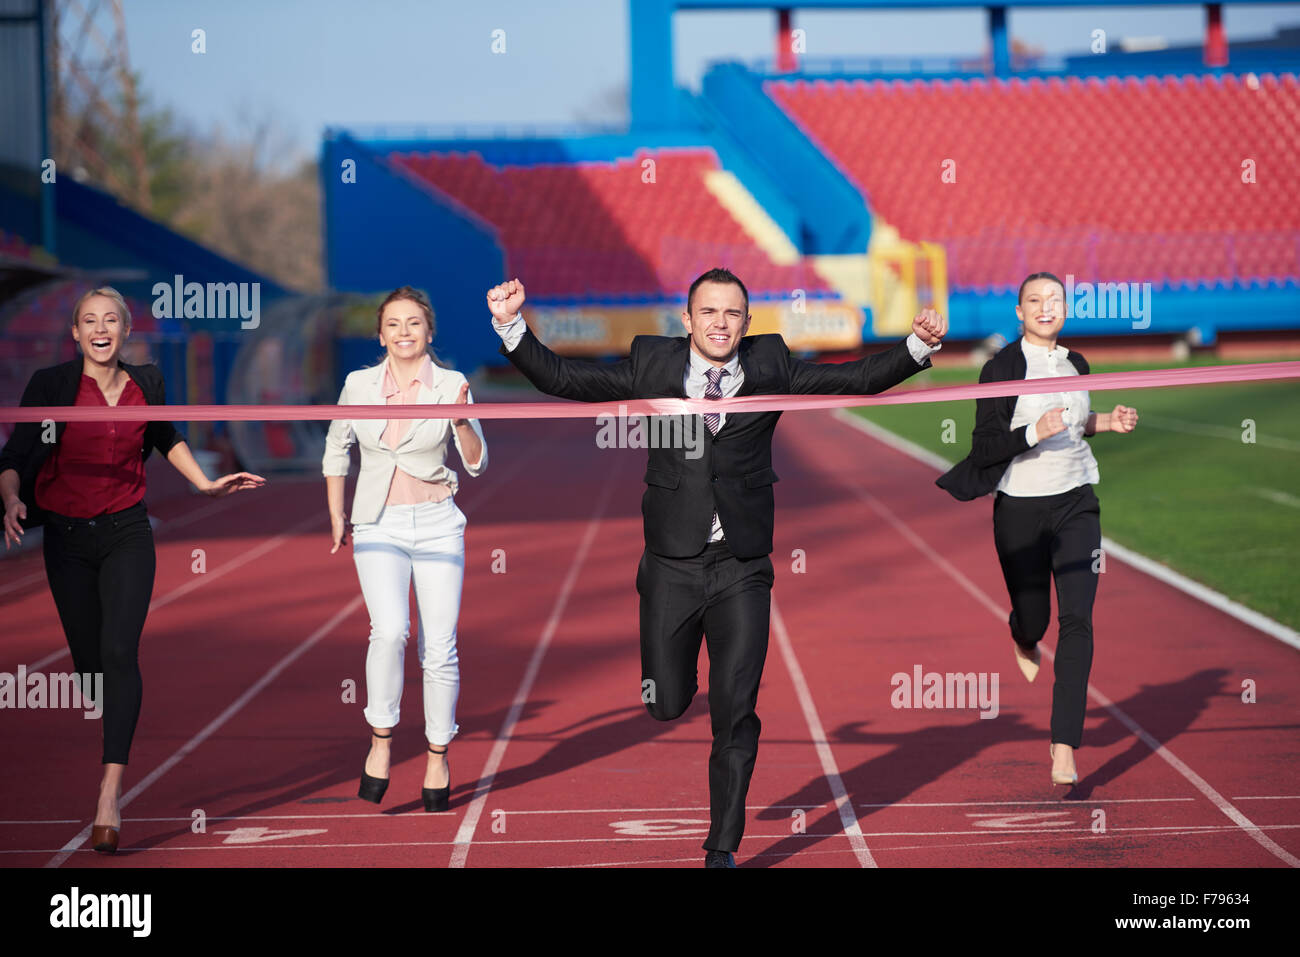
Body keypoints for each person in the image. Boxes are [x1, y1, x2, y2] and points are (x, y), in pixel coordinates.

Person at [487, 268, 946, 866]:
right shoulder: (651, 364)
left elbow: (852, 380)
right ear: (688, 320)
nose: (721, 324)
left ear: (747, 322)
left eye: (733, 314)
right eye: (709, 312)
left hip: (742, 566)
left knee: (737, 709)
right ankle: (677, 680)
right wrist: (510, 325)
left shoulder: (772, 365)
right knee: (665, 702)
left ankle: (722, 846)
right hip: (671, 565)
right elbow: (567, 379)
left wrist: (917, 346)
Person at [0, 286, 265, 855]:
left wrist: (205, 483)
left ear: (125, 331)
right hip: (66, 541)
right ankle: (105, 708)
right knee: (91, 671)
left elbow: (165, 436)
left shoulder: (148, 383)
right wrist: (11, 499)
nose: (101, 328)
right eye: (89, 320)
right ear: (76, 334)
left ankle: (109, 793)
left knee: (121, 654)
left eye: (111, 319)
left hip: (126, 532)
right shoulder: (51, 385)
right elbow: (16, 456)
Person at [936, 272, 1138, 786]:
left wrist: (1106, 422)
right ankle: (1022, 636)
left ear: (1065, 308)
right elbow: (984, 448)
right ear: (1020, 313)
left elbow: (1076, 422)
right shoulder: (1001, 368)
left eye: (1055, 299)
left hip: (1077, 502)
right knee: (1035, 618)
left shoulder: (1077, 363)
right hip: (1020, 508)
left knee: (1078, 620)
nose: (1046, 307)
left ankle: (1064, 743)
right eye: (1035, 300)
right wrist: (1032, 431)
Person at [323, 285, 487, 812]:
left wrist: (462, 421)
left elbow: (478, 461)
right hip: (377, 524)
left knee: (439, 647)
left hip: (438, 523)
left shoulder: (452, 384)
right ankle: (381, 740)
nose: (403, 333)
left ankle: (438, 753)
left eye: (413, 323)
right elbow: (336, 445)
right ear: (380, 333)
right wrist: (336, 511)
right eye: (393, 324)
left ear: (429, 331)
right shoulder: (357, 383)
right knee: (390, 631)